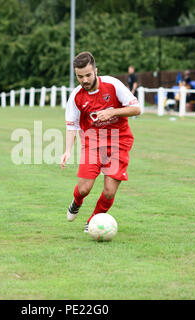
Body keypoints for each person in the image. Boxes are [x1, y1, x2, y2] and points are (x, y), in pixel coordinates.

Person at [61, 51, 141, 232]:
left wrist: (112, 112)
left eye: (88, 75)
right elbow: (72, 126)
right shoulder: (76, 96)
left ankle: (92, 221)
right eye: (80, 77)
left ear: (96, 71)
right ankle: (76, 202)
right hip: (93, 141)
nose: (85, 80)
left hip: (119, 141)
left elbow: (137, 109)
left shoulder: (113, 85)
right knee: (84, 189)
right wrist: (67, 151)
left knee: (109, 191)